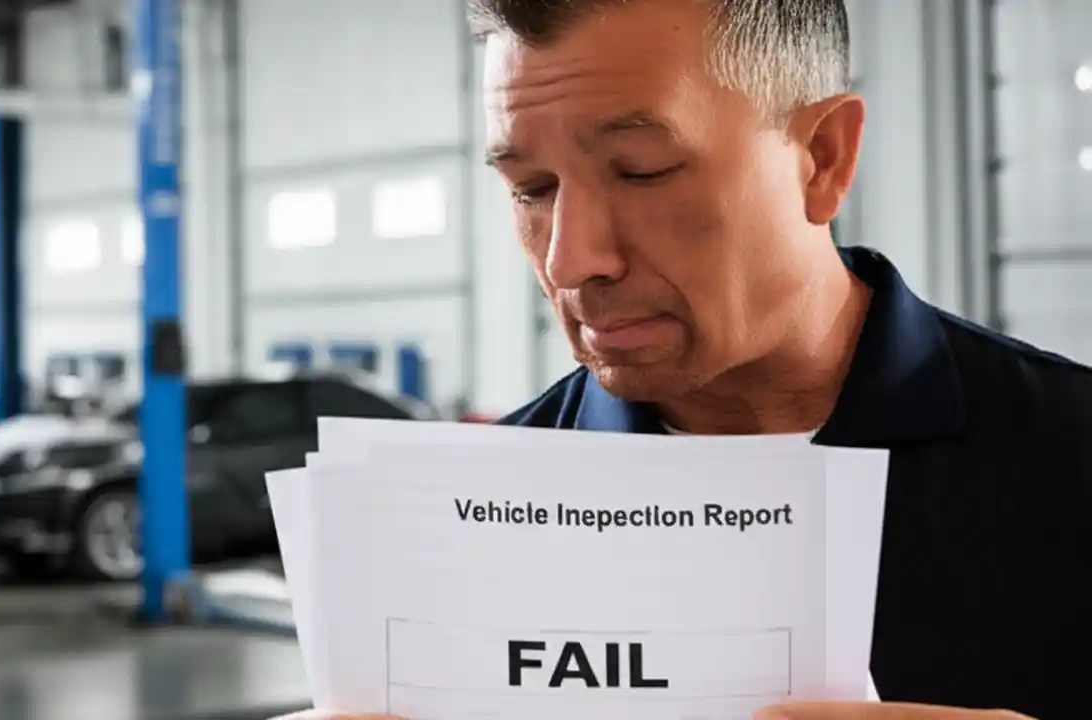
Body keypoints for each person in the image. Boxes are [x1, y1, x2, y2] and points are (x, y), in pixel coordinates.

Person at [280, 1, 1089, 718]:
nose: (571, 260)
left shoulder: (1069, 460)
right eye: (531, 188)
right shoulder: (446, 540)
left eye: (643, 172)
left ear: (823, 159)